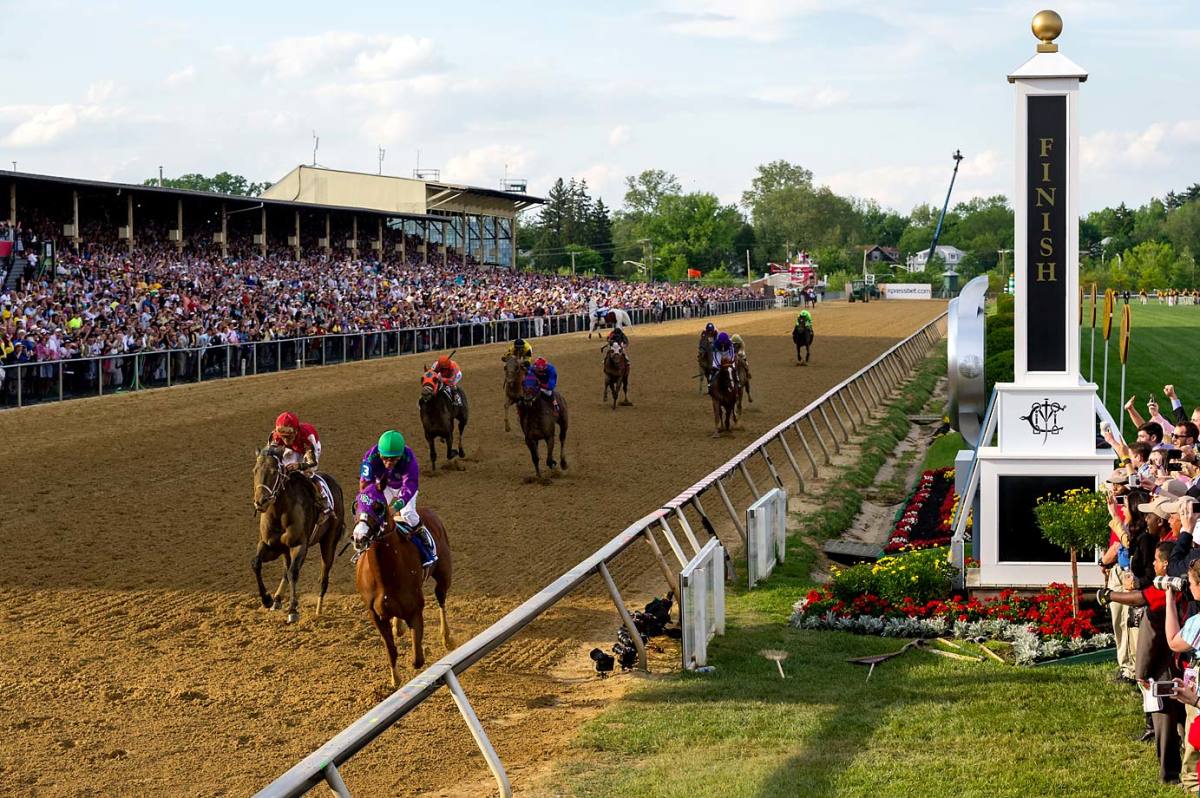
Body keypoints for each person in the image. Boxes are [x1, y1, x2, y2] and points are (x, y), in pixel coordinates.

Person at [356, 429, 436, 567]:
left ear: (400, 455)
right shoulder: (370, 457)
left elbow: (410, 485)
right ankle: (363, 543)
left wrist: (396, 506)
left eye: (393, 459)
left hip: (403, 488)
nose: (388, 462)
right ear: (379, 452)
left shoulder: (409, 459)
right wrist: (368, 503)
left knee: (408, 513)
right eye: (385, 458)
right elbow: (365, 484)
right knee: (372, 513)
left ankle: (426, 544)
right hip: (382, 486)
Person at [267, 411, 331, 518]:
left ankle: (323, 500)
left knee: (306, 473)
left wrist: (299, 465)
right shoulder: (275, 437)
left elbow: (312, 463)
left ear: (296, 431)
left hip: (308, 450)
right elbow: (270, 459)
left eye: (289, 436)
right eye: (283, 436)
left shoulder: (307, 437)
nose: (286, 440)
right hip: (291, 449)